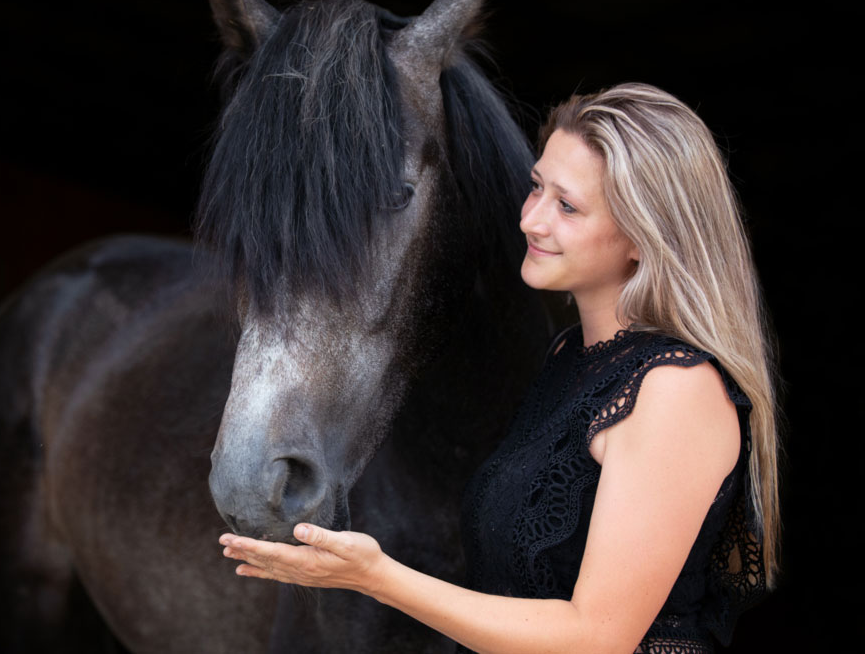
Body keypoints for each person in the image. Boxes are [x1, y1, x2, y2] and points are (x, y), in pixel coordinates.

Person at [218, 83, 779, 653]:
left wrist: (373, 577)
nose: (531, 220)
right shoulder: (569, 359)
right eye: (536, 187)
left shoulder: (673, 389)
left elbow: (596, 640)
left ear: (643, 238)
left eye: (567, 206)